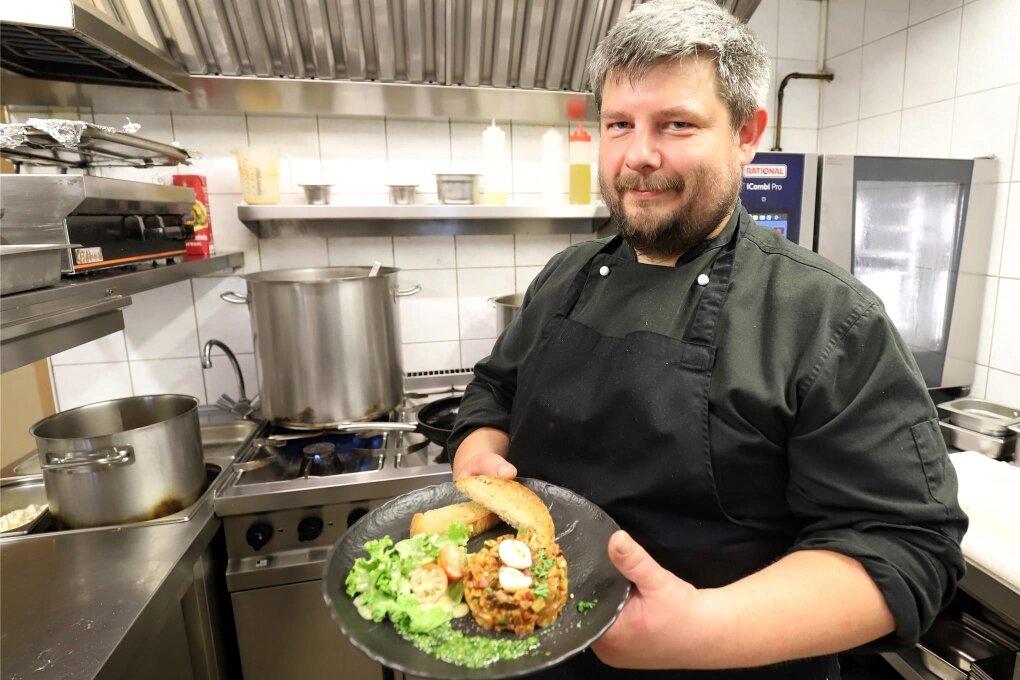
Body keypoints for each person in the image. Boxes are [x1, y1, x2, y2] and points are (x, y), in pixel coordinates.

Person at [447, 0, 967, 678]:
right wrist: (481, 453)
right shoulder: (565, 277)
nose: (639, 155)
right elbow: (495, 388)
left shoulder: (826, 318)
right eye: (619, 125)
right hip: (530, 657)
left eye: (677, 124)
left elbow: (907, 548)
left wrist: (702, 629)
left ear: (747, 134)